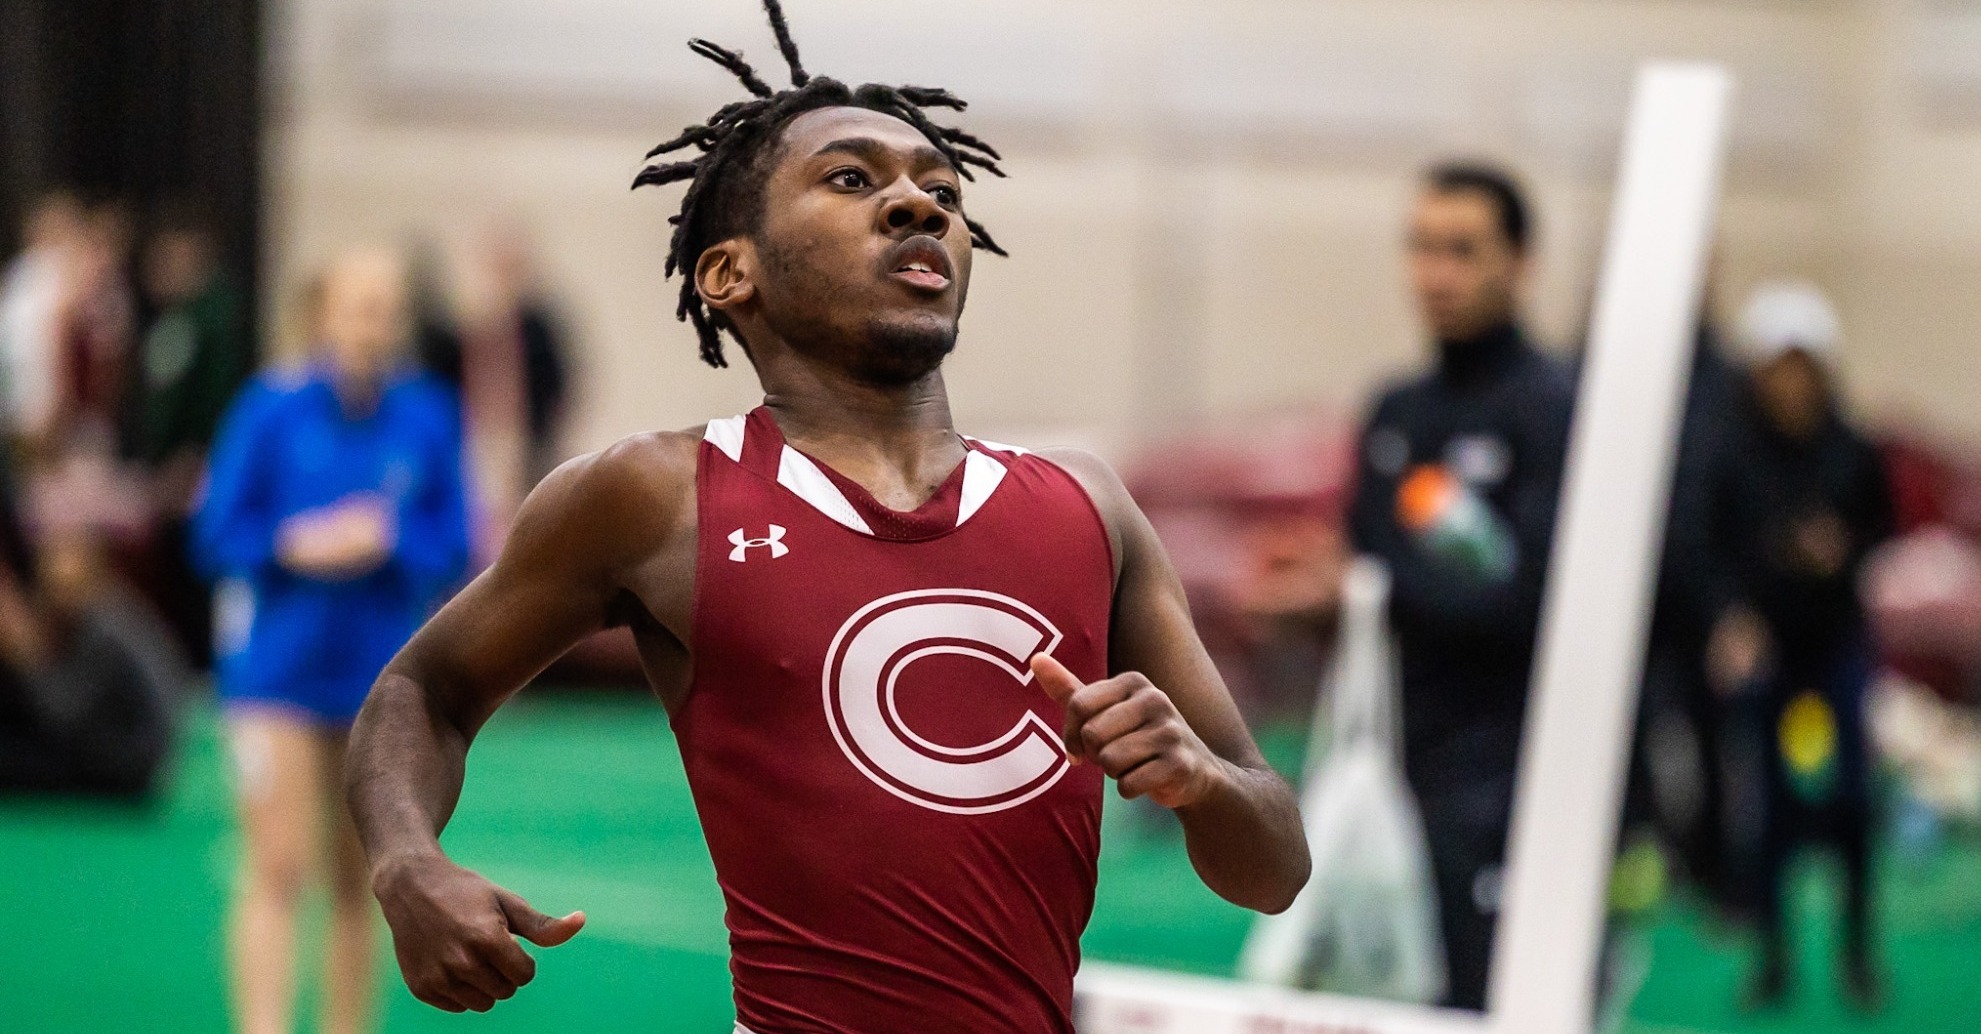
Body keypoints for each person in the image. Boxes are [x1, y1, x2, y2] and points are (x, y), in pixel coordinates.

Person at [343, 3, 1310, 1031]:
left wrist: (1204, 781)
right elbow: (420, 689)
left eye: (941, 190)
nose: (916, 205)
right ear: (730, 272)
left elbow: (1274, 866)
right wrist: (405, 857)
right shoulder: (655, 495)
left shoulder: (1088, 506)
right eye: (853, 180)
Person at [193, 247, 470, 1034]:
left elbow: (455, 540)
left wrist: (388, 540)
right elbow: (213, 533)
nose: (371, 324)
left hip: (379, 679)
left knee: (362, 882)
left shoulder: (428, 415)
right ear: (322, 314)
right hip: (273, 675)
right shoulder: (268, 408)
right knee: (277, 867)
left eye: (385, 308)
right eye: (356, 306)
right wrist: (292, 543)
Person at [1346, 161, 1576, 1011]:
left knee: (1495, 1003)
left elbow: (1527, 602)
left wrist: (1375, 588)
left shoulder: (1555, 412)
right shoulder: (1395, 412)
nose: (1433, 273)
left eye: (1461, 250)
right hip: (1394, 764)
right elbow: (1367, 562)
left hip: (1516, 778)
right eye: (1420, 248)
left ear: (1519, 262)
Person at [1721, 281, 1892, 1011]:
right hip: (1768, 657)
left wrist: (1841, 552)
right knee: (1765, 811)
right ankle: (1773, 955)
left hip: (1835, 651)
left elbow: (1880, 531)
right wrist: (1730, 616)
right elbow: (1707, 545)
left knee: (1852, 801)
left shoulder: (1851, 451)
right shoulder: (1732, 455)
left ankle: (1856, 954)